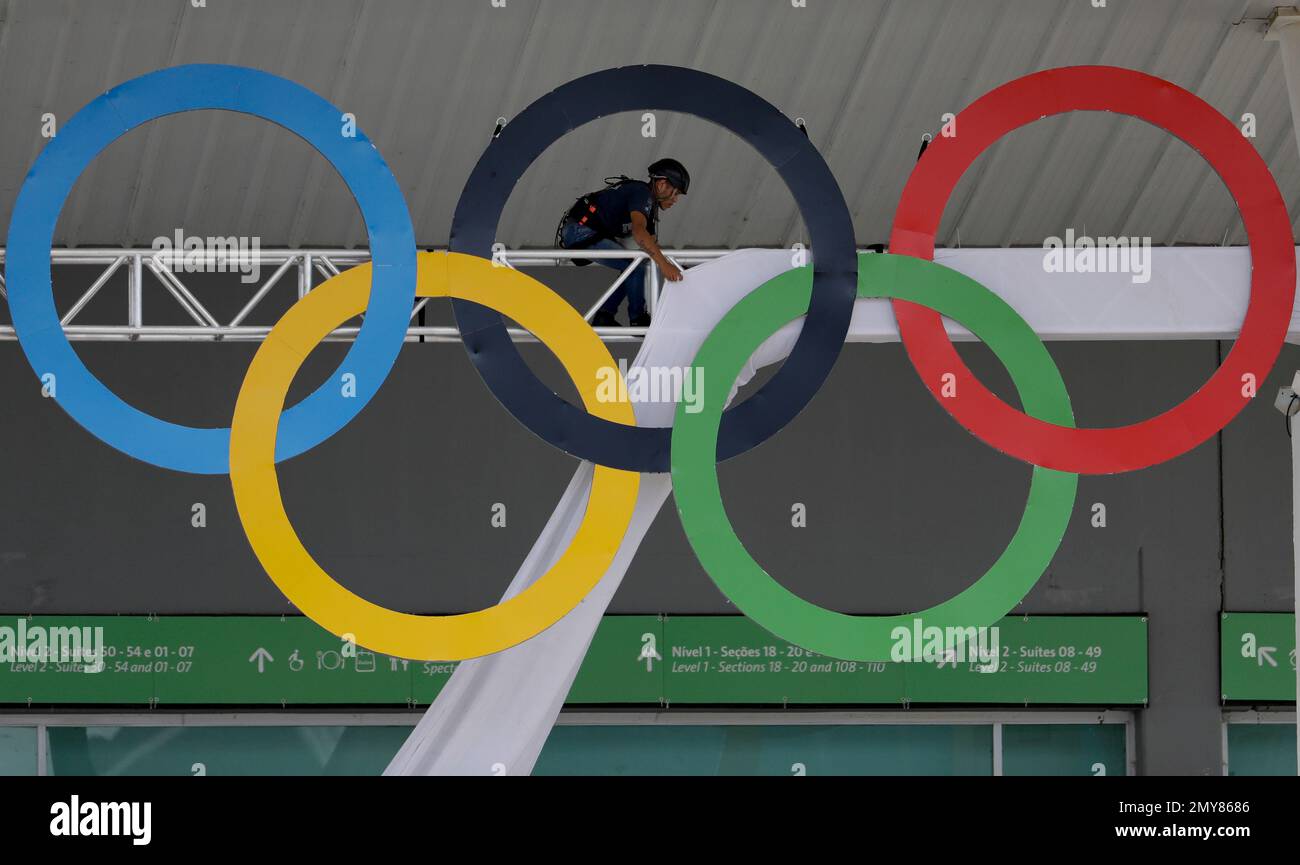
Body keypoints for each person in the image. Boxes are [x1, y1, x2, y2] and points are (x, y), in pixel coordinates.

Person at [556, 158, 689, 327]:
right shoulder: (642, 193)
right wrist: (664, 265)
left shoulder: (648, 205)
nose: (675, 200)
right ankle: (638, 319)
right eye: (676, 193)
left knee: (632, 269)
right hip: (581, 232)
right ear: (662, 184)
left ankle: (604, 316)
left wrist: (679, 268)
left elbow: (652, 245)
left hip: (587, 233)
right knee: (635, 269)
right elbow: (639, 233)